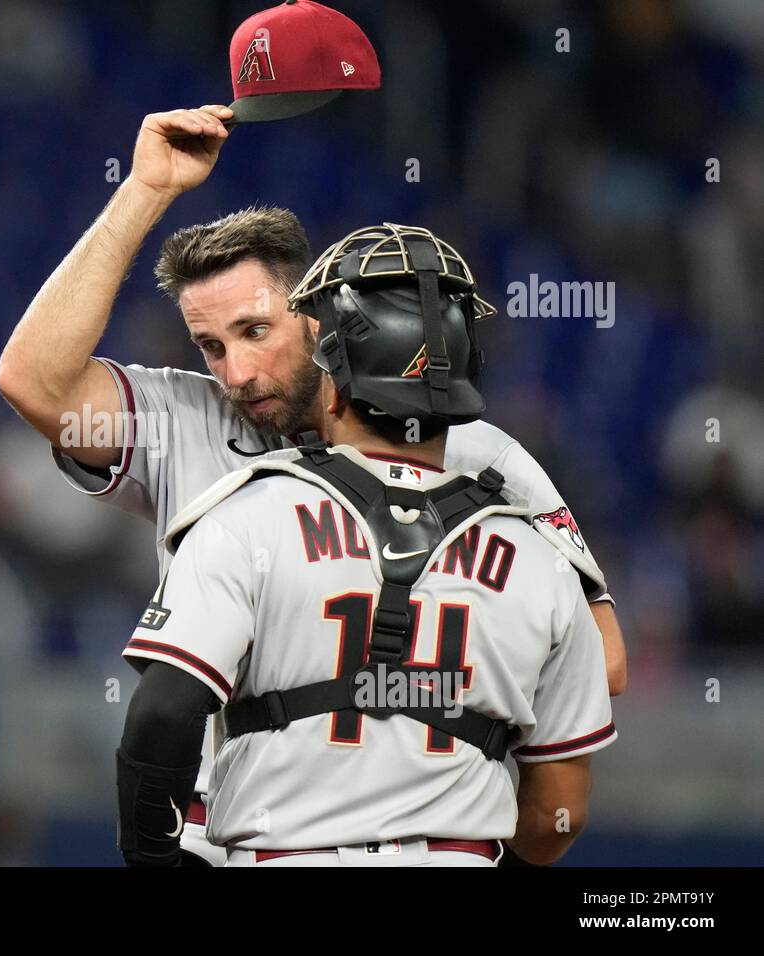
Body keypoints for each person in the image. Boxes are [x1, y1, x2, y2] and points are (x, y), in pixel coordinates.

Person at [0, 105, 626, 865]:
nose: (235, 372)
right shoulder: (187, 417)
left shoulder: (475, 448)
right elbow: (32, 380)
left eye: (254, 331)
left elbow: (601, 655)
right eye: (209, 345)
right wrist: (145, 190)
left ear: (325, 318)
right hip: (224, 827)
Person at [115, 222, 616, 867]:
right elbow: (558, 816)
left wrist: (154, 859)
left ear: (330, 366)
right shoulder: (537, 554)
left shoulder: (244, 514)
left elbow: (162, 715)